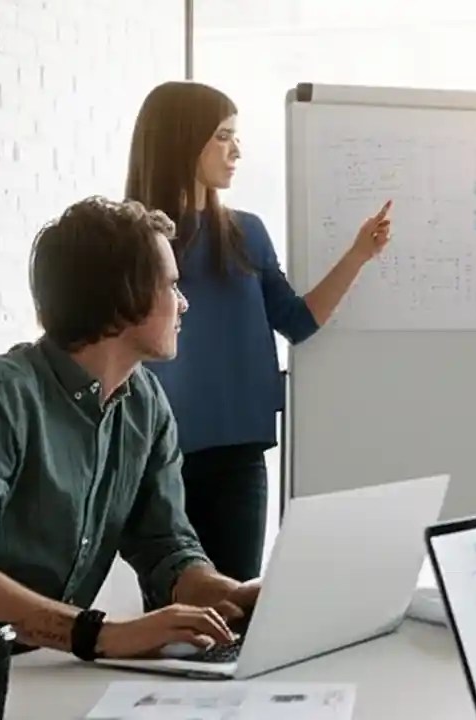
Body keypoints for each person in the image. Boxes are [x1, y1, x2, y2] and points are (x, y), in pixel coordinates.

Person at [0, 197, 262, 691]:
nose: (183, 303)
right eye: (171, 285)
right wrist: (99, 635)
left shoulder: (144, 402)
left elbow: (166, 548)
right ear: (122, 297)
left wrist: (235, 597)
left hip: (45, 673)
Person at [124, 81, 392, 582]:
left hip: (238, 456)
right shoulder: (133, 240)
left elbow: (297, 321)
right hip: (155, 457)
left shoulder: (247, 232)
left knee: (238, 600)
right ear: (183, 140)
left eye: (236, 137)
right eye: (223, 137)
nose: (237, 151)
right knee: (173, 607)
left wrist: (359, 254)